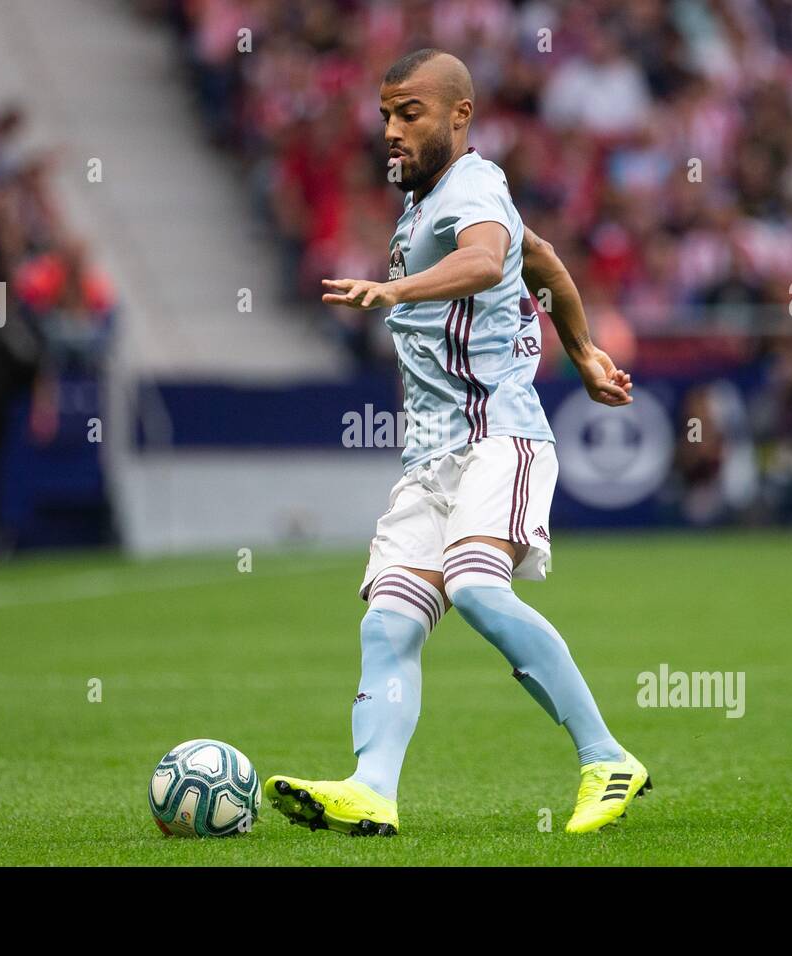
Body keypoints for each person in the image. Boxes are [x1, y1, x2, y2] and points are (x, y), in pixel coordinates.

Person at [265, 50, 650, 837]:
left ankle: (607, 756)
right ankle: (372, 788)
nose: (392, 132)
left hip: (496, 437)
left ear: (459, 115)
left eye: (410, 114)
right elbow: (537, 260)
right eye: (385, 117)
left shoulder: (474, 185)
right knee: (389, 623)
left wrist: (397, 289)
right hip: (431, 458)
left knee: (475, 589)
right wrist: (581, 352)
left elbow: (483, 261)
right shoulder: (427, 203)